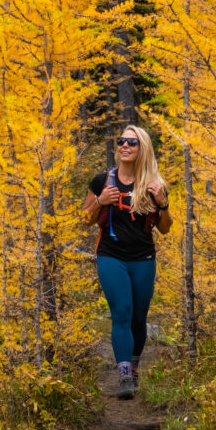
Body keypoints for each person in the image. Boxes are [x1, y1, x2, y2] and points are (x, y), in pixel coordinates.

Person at [82, 124, 173, 399]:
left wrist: (163, 203)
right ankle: (123, 376)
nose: (125, 145)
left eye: (132, 143)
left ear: (142, 148)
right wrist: (100, 201)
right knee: (121, 311)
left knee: (138, 318)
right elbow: (85, 218)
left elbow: (165, 228)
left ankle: (133, 368)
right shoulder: (102, 181)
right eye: (122, 140)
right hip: (111, 256)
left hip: (143, 259)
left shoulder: (155, 185)